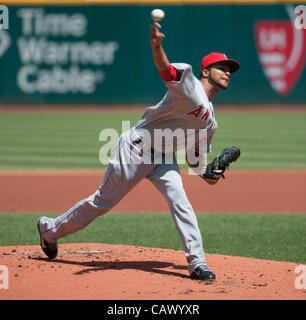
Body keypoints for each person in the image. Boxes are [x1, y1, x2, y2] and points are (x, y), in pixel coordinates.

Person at [37, 22, 241, 282]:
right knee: (101, 203)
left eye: (230, 69)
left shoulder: (211, 122)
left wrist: (213, 172)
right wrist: (157, 46)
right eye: (222, 67)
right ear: (205, 71)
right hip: (135, 149)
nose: (227, 73)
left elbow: (195, 163)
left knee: (182, 203)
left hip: (164, 158)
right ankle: (48, 229)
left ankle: (197, 263)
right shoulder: (190, 86)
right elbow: (166, 70)